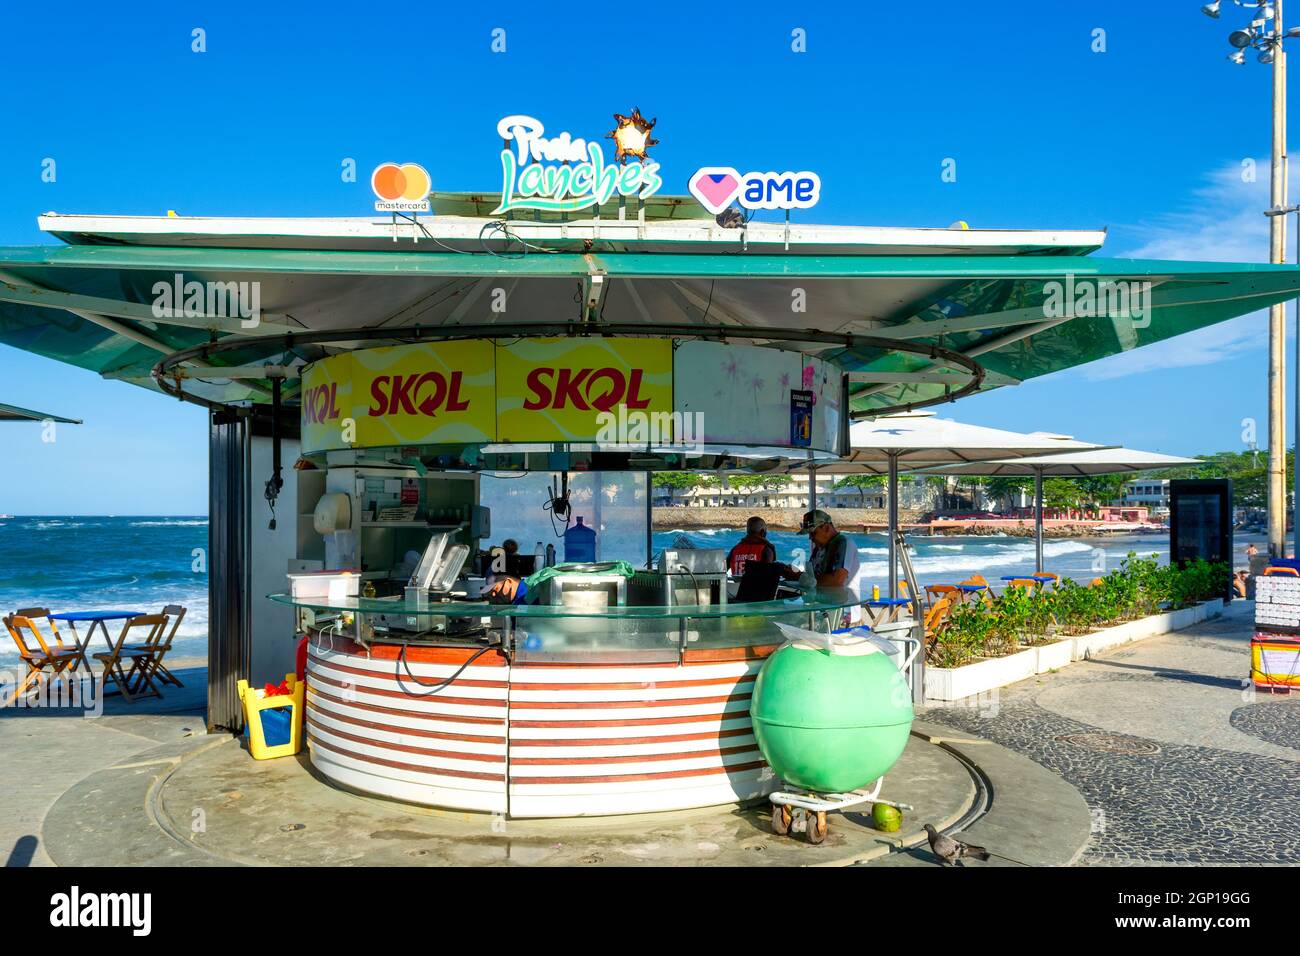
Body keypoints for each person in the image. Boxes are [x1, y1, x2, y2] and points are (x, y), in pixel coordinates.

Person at [798, 509, 861, 591]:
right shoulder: (818, 548)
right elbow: (812, 577)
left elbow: (837, 581)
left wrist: (799, 577)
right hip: (823, 602)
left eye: (813, 533)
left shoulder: (844, 543)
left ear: (826, 527)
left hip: (845, 602)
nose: (810, 538)